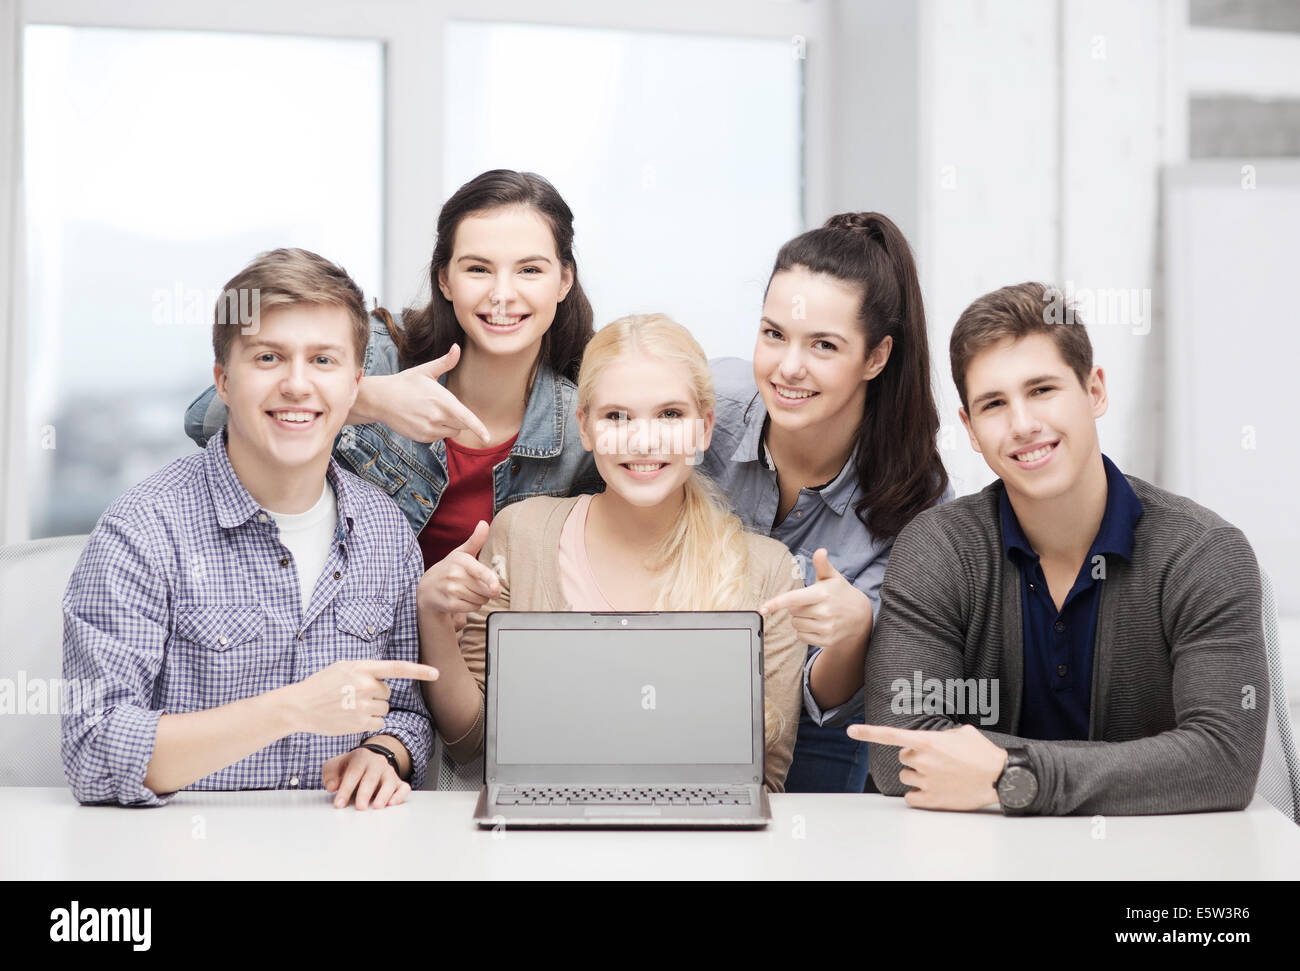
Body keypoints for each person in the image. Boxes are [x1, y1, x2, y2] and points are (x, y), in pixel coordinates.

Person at [853, 281, 1267, 815]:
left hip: (1154, 861)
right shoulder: (937, 551)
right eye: (994, 404)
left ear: (1094, 391)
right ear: (971, 430)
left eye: (1042, 390)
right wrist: (1145, 767)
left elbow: (1223, 762)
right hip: (973, 861)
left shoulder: (1204, 554)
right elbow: (899, 755)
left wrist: (1014, 776)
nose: (1023, 425)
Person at [62, 248, 438, 809]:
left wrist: (383, 751)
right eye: (268, 358)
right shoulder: (142, 529)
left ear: (356, 384)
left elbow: (407, 712)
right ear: (223, 380)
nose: (296, 384)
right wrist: (290, 709)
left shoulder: (385, 530)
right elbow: (94, 750)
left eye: (323, 361)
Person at [420, 314, 806, 790]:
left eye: (669, 415)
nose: (644, 441)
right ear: (584, 428)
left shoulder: (770, 572)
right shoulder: (519, 536)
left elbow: (764, 783)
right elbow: (470, 742)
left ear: (704, 428)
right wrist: (433, 618)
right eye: (616, 416)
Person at [182, 170, 602, 581]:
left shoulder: (584, 425)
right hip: (353, 638)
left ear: (564, 280)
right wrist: (366, 399)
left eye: (530, 270)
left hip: (485, 648)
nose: (502, 295)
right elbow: (206, 418)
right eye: (478, 269)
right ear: (445, 279)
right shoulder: (379, 352)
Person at [703, 212, 950, 792]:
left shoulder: (920, 505)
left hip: (819, 738)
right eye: (774, 334)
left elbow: (831, 700)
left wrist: (855, 632)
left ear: (876, 357)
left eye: (823, 345)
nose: (789, 367)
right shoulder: (703, 406)